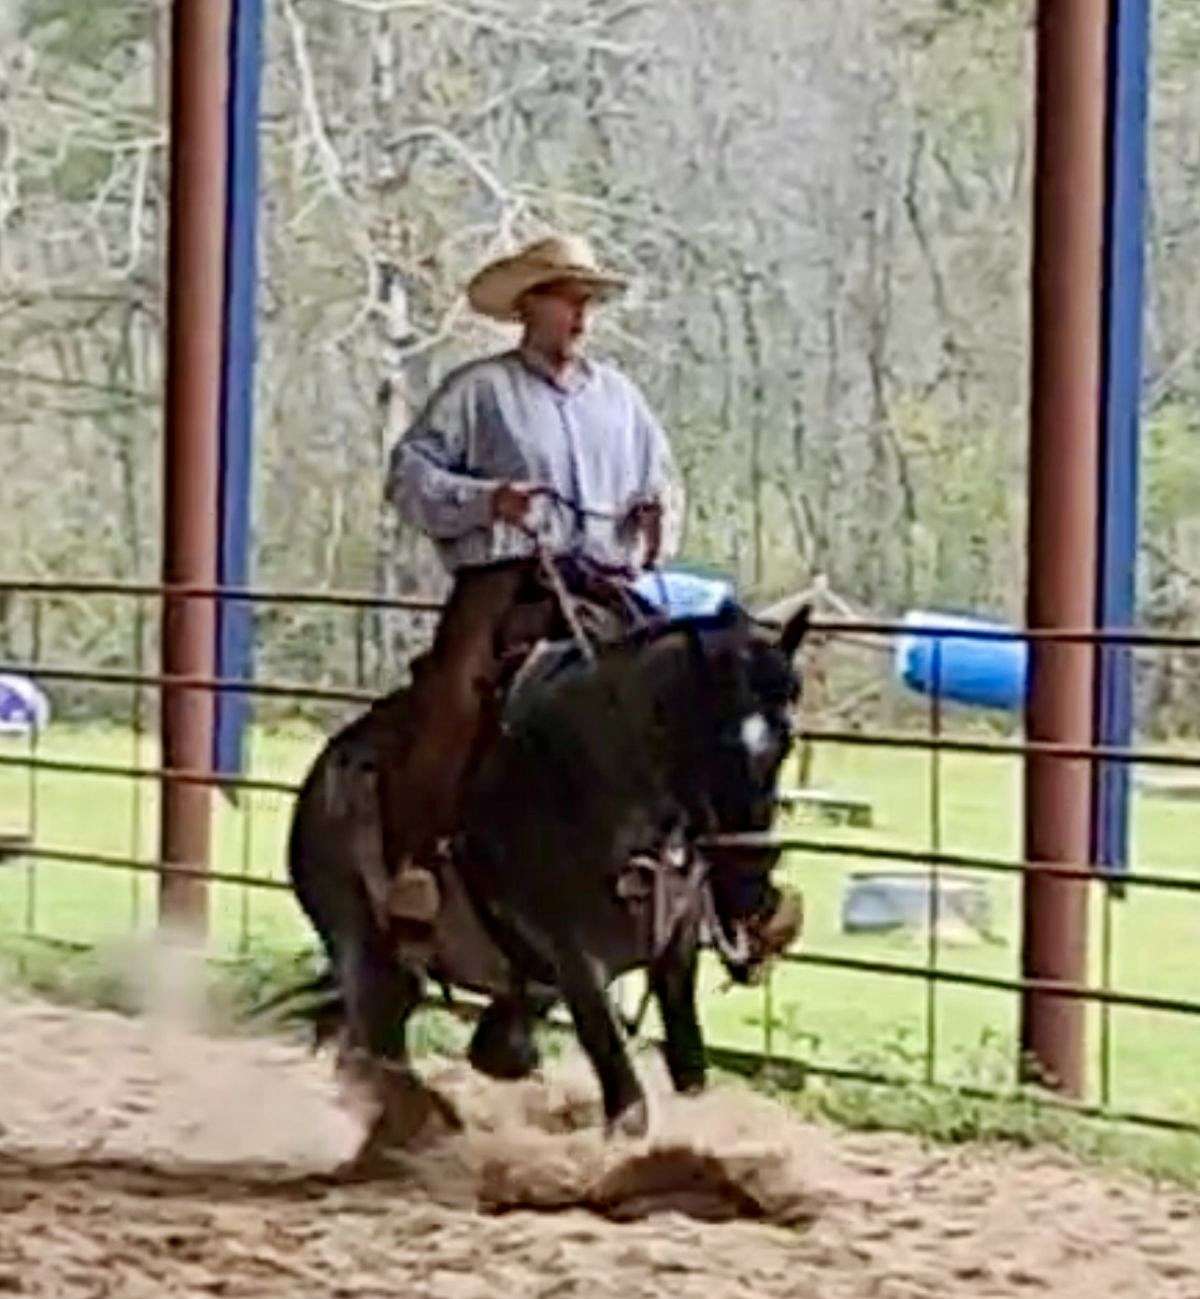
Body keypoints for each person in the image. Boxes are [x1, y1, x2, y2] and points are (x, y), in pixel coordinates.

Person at [377, 233, 679, 932]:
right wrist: (488, 500)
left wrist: (652, 517)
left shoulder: (622, 401)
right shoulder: (478, 391)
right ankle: (417, 859)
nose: (581, 315)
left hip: (603, 578)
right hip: (506, 581)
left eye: (587, 301)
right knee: (456, 691)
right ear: (528, 307)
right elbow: (410, 475)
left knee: (681, 690)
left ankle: (700, 875)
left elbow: (663, 479)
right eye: (566, 299)